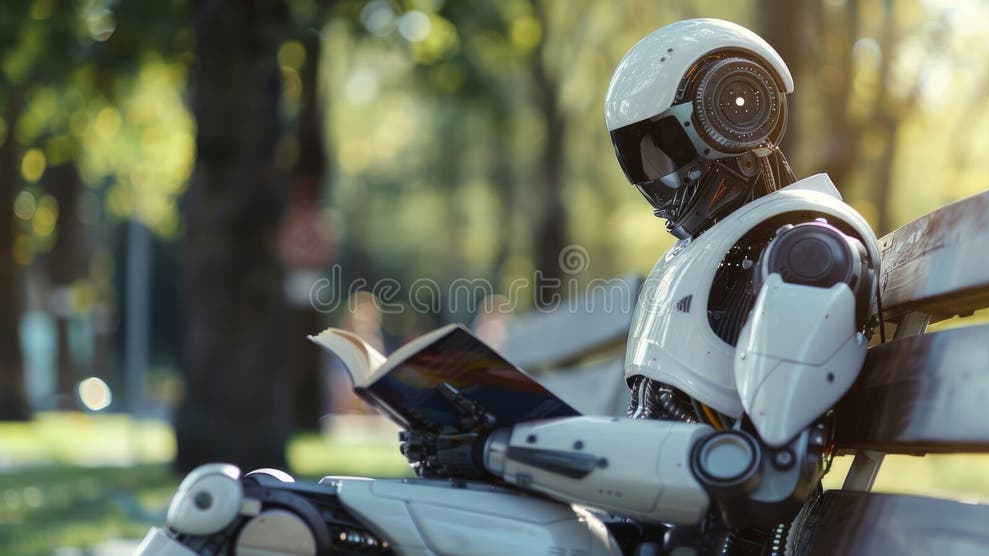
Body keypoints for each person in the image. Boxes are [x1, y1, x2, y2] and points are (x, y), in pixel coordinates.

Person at [137, 19, 881, 555]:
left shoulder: (805, 252)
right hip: (609, 535)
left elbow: (763, 479)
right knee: (244, 501)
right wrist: (483, 434)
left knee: (237, 514)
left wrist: (501, 447)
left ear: (732, 111)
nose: (652, 180)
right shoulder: (715, 256)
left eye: (662, 148)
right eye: (637, 158)